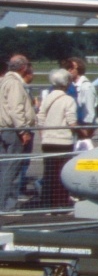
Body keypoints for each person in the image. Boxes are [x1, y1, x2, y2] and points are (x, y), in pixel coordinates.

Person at [36, 68, 78, 210]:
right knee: (62, 174)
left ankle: (47, 204)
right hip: (63, 140)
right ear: (66, 83)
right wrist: (80, 131)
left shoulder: (47, 98)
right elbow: (71, 120)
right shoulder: (68, 100)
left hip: (48, 140)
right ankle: (61, 203)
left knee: (49, 173)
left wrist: (43, 134)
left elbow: (40, 117)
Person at [0, 55, 37, 211]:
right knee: (12, 168)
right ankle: (6, 205)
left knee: (5, 167)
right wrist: (23, 130)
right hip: (13, 130)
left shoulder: (5, 81)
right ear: (23, 68)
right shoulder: (15, 84)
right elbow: (16, 109)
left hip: (5, 128)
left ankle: (7, 203)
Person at [67, 57, 98, 127]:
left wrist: (86, 132)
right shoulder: (70, 86)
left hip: (84, 126)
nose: (68, 70)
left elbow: (90, 112)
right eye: (67, 68)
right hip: (74, 125)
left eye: (71, 68)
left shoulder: (87, 87)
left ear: (79, 69)